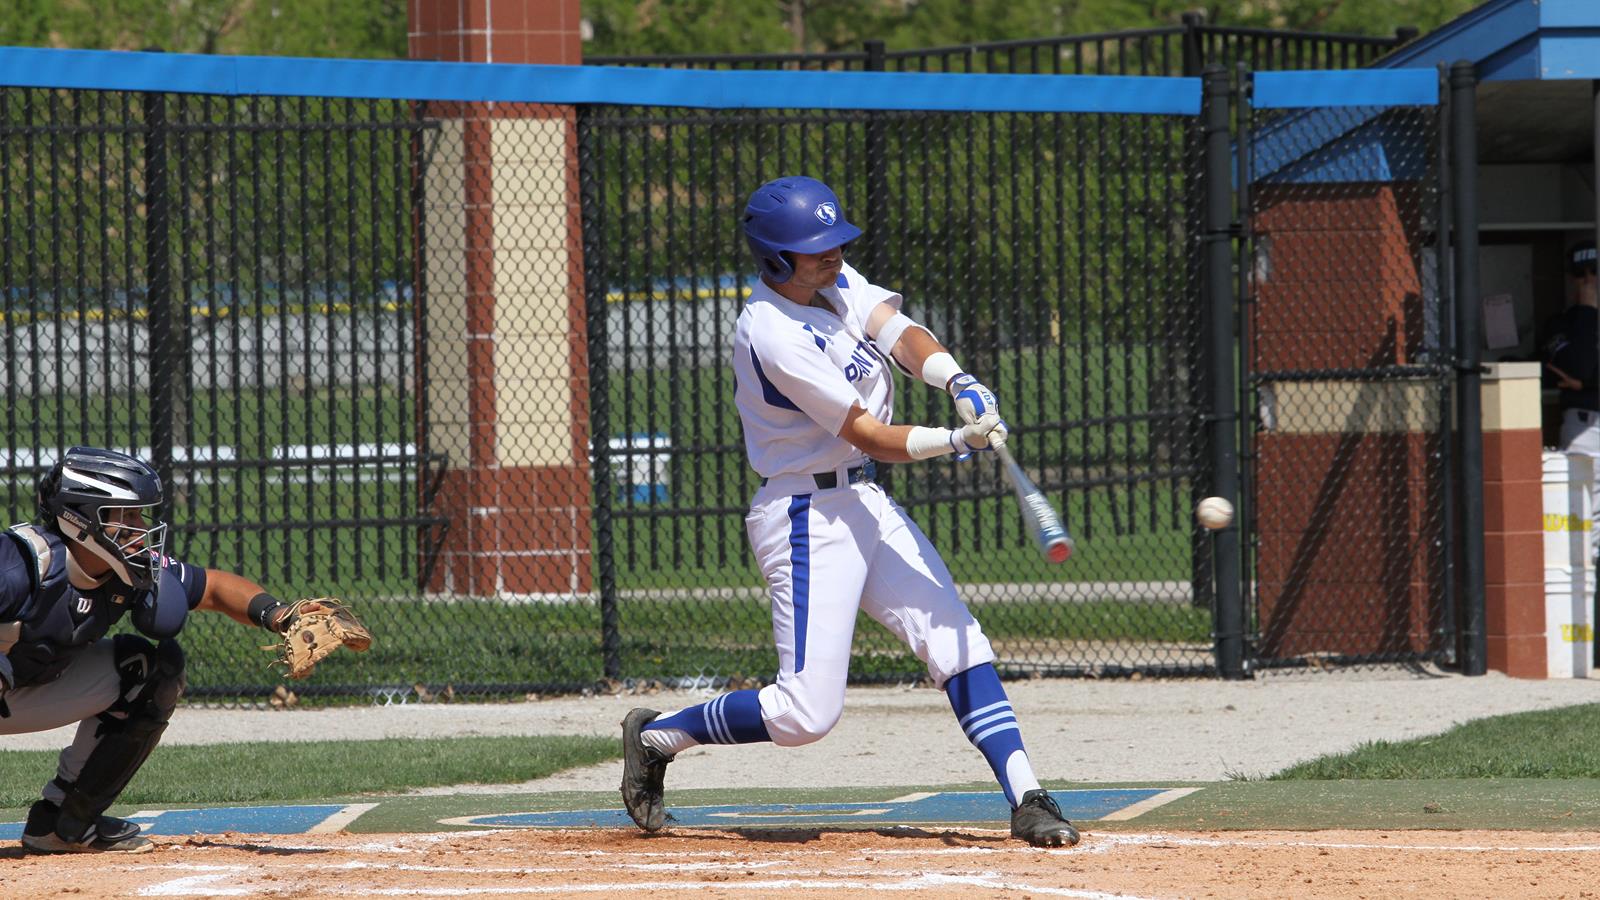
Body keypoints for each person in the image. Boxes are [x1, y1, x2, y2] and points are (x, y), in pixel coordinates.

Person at [619, 176, 1080, 848]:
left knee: (955, 637)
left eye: (835, 242)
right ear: (776, 259)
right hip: (805, 513)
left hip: (861, 498)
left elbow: (898, 331)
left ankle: (1028, 798)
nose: (831, 254)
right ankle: (657, 735)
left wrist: (955, 379)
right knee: (806, 714)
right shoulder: (771, 331)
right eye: (815, 248)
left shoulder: (832, 282)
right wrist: (955, 440)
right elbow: (864, 433)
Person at [0, 446, 325, 854]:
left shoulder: (128, 568)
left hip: (28, 691)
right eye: (128, 516)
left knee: (152, 670)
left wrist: (278, 615)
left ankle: (63, 824)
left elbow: (211, 587)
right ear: (82, 516)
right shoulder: (20, 564)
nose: (141, 528)